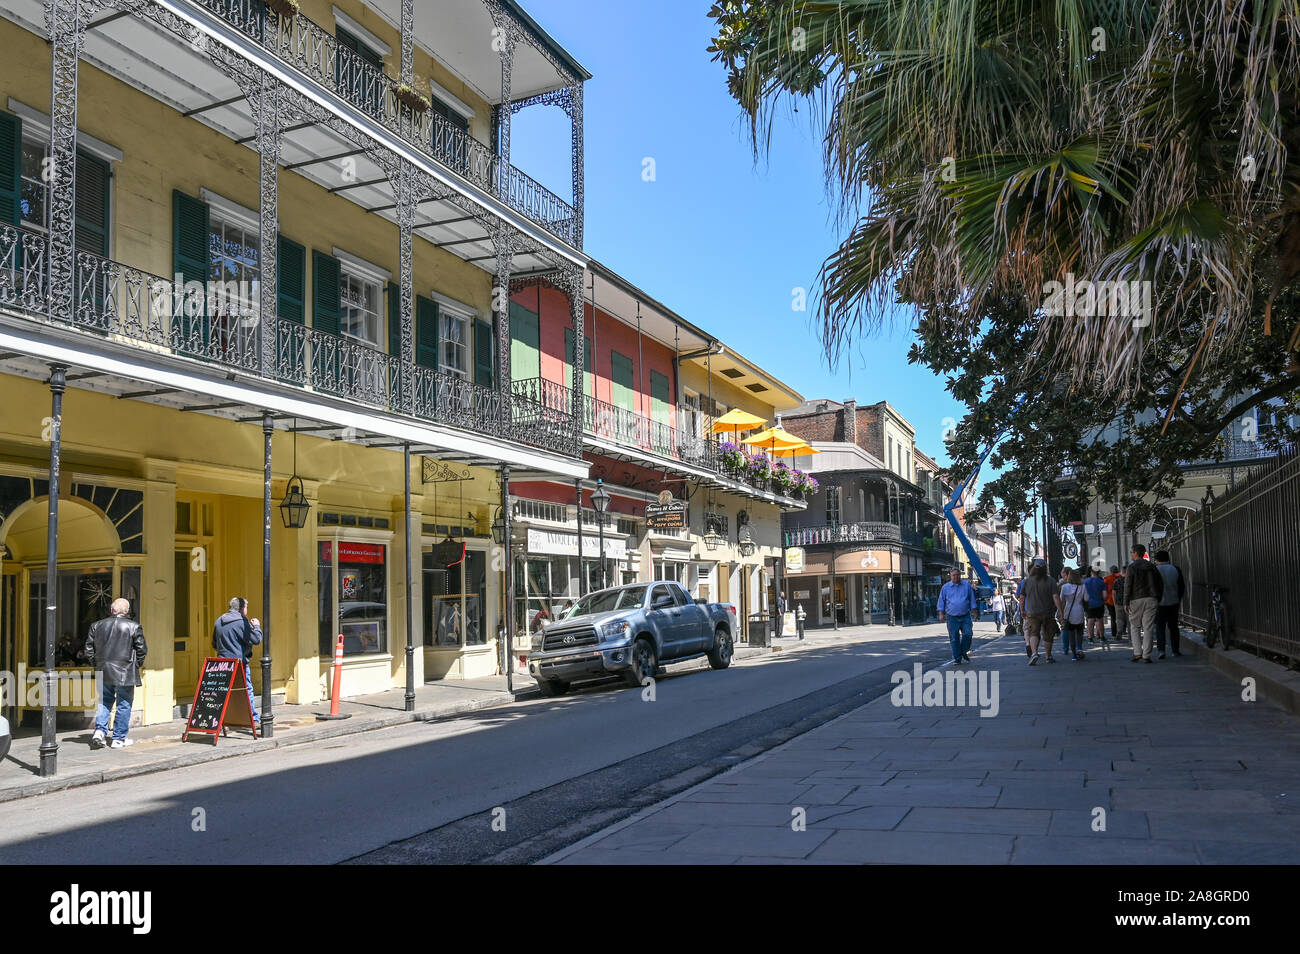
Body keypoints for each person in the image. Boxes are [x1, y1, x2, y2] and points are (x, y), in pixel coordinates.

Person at [85, 598, 147, 749]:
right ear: (126, 612)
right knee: (124, 704)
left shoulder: (96, 626)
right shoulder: (134, 626)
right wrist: (134, 665)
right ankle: (118, 738)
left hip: (104, 670)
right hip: (124, 672)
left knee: (104, 701)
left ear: (111, 610)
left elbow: (89, 650)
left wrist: (97, 665)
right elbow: (142, 650)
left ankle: (100, 731)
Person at [213, 597, 263, 723]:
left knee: (224, 692)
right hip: (239, 664)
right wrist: (256, 626)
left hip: (223, 664)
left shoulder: (219, 621)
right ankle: (253, 719)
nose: (247, 609)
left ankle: (218, 719)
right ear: (241, 609)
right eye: (246, 607)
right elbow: (256, 639)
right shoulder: (242, 622)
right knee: (247, 690)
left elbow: (214, 644)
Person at [1124, 544, 1164, 663]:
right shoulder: (1152, 566)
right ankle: (1147, 655)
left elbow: (1128, 585)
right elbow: (1160, 583)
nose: (1131, 554)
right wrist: (1158, 598)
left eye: (1131, 552)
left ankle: (1137, 653)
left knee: (1135, 626)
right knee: (1148, 627)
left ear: (1136, 553)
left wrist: (1126, 602)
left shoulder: (1131, 568)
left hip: (1136, 599)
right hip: (1151, 598)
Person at [1019, 559, 1062, 665]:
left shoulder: (1027, 581)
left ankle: (1034, 653)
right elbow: (1056, 597)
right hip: (1048, 612)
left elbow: (1021, 598)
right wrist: (1060, 610)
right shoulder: (1051, 581)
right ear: (1045, 569)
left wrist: (1022, 610)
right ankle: (1048, 656)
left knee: (1033, 633)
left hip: (1032, 612)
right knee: (1048, 635)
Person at [937, 568, 976, 664]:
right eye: (954, 575)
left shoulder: (966, 586)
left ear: (960, 575)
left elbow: (972, 599)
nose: (956, 577)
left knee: (968, 634)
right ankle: (957, 658)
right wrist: (941, 614)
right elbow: (941, 601)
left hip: (965, 615)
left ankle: (963, 651)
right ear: (950, 576)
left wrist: (974, 611)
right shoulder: (945, 587)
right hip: (951, 617)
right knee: (954, 638)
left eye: (957, 575)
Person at [1153, 550, 1186, 658]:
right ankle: (1175, 650)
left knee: (1160, 627)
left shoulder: (1154, 570)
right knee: (1173, 627)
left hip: (1159, 603)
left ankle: (1161, 650)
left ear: (1156, 560)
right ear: (1168, 558)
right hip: (1173, 602)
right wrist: (1178, 598)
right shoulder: (1175, 569)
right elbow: (1181, 586)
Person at [1058, 568, 1088, 660]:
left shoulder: (1064, 587)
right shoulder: (1082, 586)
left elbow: (1061, 600)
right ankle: (1079, 648)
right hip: (1079, 610)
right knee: (1079, 631)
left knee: (1071, 633)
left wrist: (1061, 613)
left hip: (1068, 611)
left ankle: (1074, 654)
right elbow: (1086, 599)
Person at [1083, 567, 1109, 645]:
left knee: (1090, 620)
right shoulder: (1102, 582)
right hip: (1099, 603)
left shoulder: (1085, 582)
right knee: (1100, 620)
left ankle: (1090, 638)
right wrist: (1103, 600)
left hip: (1089, 604)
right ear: (1099, 573)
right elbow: (1105, 595)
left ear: (1091, 572)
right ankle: (1102, 637)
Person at [1103, 564, 1121, 640]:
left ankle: (1114, 633)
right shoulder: (1121, 578)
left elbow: (1104, 590)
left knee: (1113, 617)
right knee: (1121, 617)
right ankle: (1122, 631)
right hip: (1120, 600)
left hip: (1110, 600)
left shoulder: (1107, 579)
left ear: (1110, 571)